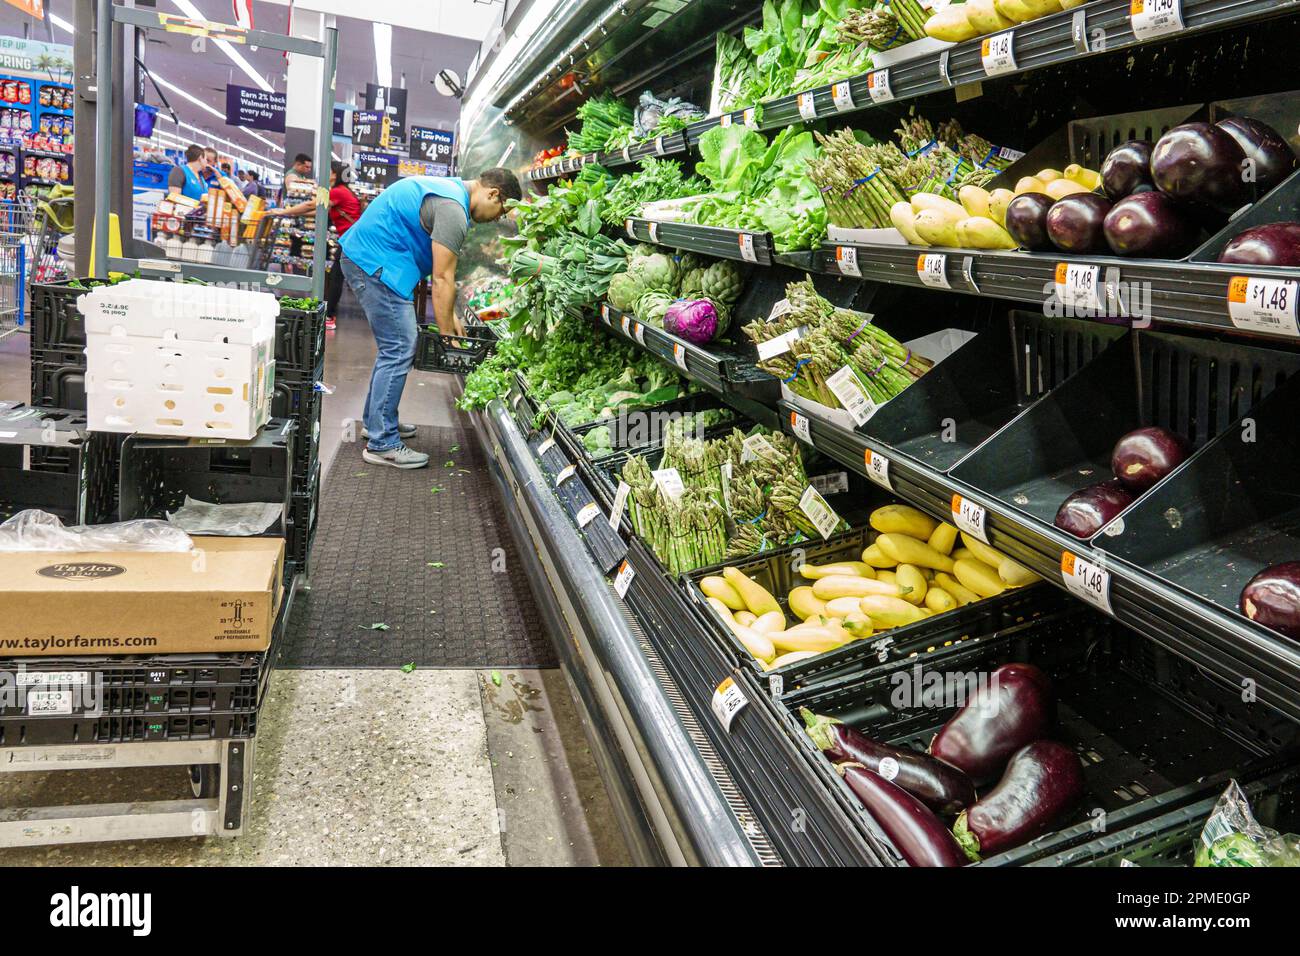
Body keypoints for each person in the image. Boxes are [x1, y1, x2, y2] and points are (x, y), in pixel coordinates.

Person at [338, 168, 520, 469]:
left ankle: (378, 423)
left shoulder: (450, 191)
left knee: (393, 349)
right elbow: (443, 278)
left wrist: (452, 323)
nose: (497, 218)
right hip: (375, 263)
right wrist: (449, 338)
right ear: (493, 194)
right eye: (501, 211)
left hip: (372, 259)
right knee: (399, 347)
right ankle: (382, 443)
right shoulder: (454, 210)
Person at [269, 161, 361, 331]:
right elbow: (318, 210)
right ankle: (330, 315)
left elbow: (312, 205)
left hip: (351, 240)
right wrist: (292, 212)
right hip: (352, 239)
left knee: (336, 277)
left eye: (329, 171)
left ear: (334, 174)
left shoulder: (337, 192)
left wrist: (283, 212)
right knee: (339, 277)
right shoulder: (342, 192)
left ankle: (330, 316)